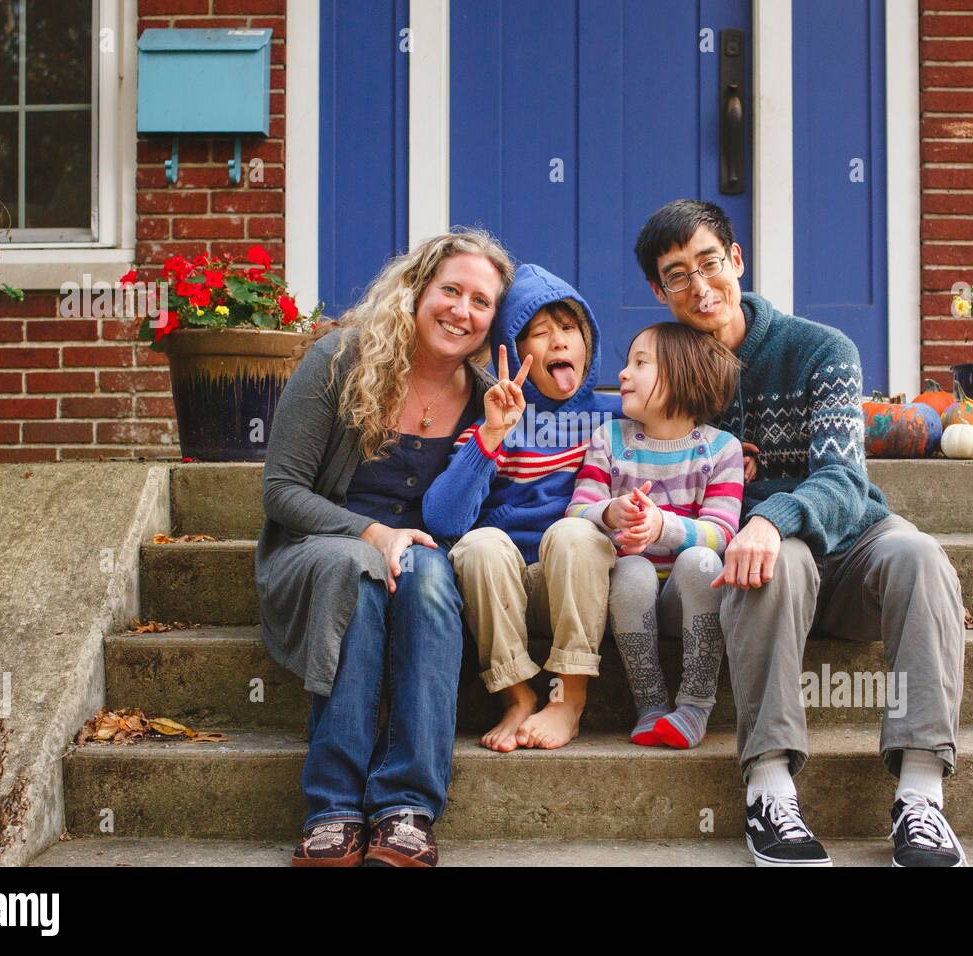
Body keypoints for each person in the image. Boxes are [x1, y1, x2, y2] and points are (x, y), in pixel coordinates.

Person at [633, 199, 967, 867]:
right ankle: (769, 786)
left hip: (850, 551)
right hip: (762, 575)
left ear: (737, 260)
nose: (699, 287)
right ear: (658, 291)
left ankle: (921, 795)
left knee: (920, 555)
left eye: (709, 263)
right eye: (677, 275)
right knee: (773, 558)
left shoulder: (820, 351)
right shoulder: (669, 370)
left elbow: (843, 482)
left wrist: (769, 512)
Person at [255, 229, 514, 867]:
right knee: (359, 569)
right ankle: (334, 806)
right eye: (450, 290)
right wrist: (371, 533)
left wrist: (490, 439)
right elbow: (281, 493)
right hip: (319, 545)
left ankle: (406, 807)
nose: (462, 311)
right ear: (417, 290)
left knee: (428, 576)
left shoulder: (487, 397)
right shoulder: (341, 360)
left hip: (418, 551)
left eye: (480, 302)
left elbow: (455, 517)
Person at [424, 264, 621, 752]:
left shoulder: (614, 419)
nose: (558, 342)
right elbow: (443, 519)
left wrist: (721, 448)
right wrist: (492, 434)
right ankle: (517, 695)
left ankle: (569, 697)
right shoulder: (493, 420)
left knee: (575, 532)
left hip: (579, 582)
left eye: (570, 329)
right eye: (539, 332)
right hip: (505, 588)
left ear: (588, 341)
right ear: (512, 353)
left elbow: (677, 432)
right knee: (479, 545)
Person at [566, 322, 743, 750]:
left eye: (640, 363)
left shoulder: (722, 450)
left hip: (689, 596)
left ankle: (695, 706)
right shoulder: (609, 440)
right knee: (632, 571)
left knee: (701, 562)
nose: (623, 373)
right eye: (627, 363)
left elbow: (722, 534)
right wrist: (611, 513)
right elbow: (576, 513)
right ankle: (650, 705)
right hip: (630, 599)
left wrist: (662, 526)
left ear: (684, 375)